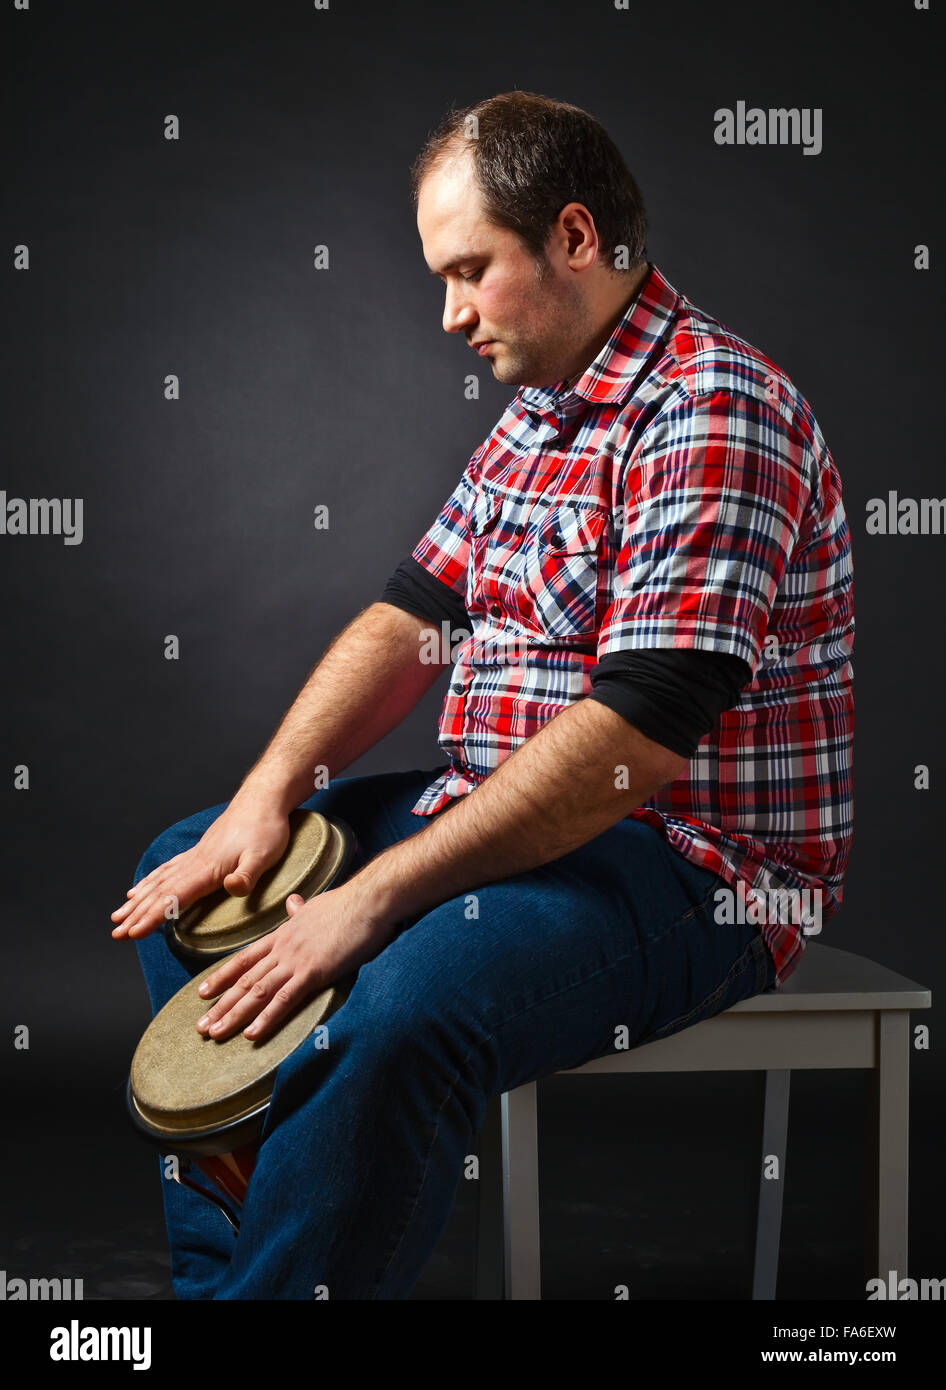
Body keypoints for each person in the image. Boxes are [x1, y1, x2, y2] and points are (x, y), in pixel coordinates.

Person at [110, 91, 854, 1300]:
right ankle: (226, 1289)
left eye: (469, 271)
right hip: (499, 814)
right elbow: (409, 620)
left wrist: (372, 899)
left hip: (682, 862)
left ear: (571, 238)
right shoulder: (538, 410)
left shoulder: (714, 409)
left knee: (405, 1000)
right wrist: (264, 797)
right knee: (197, 867)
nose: (448, 313)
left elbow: (630, 750)